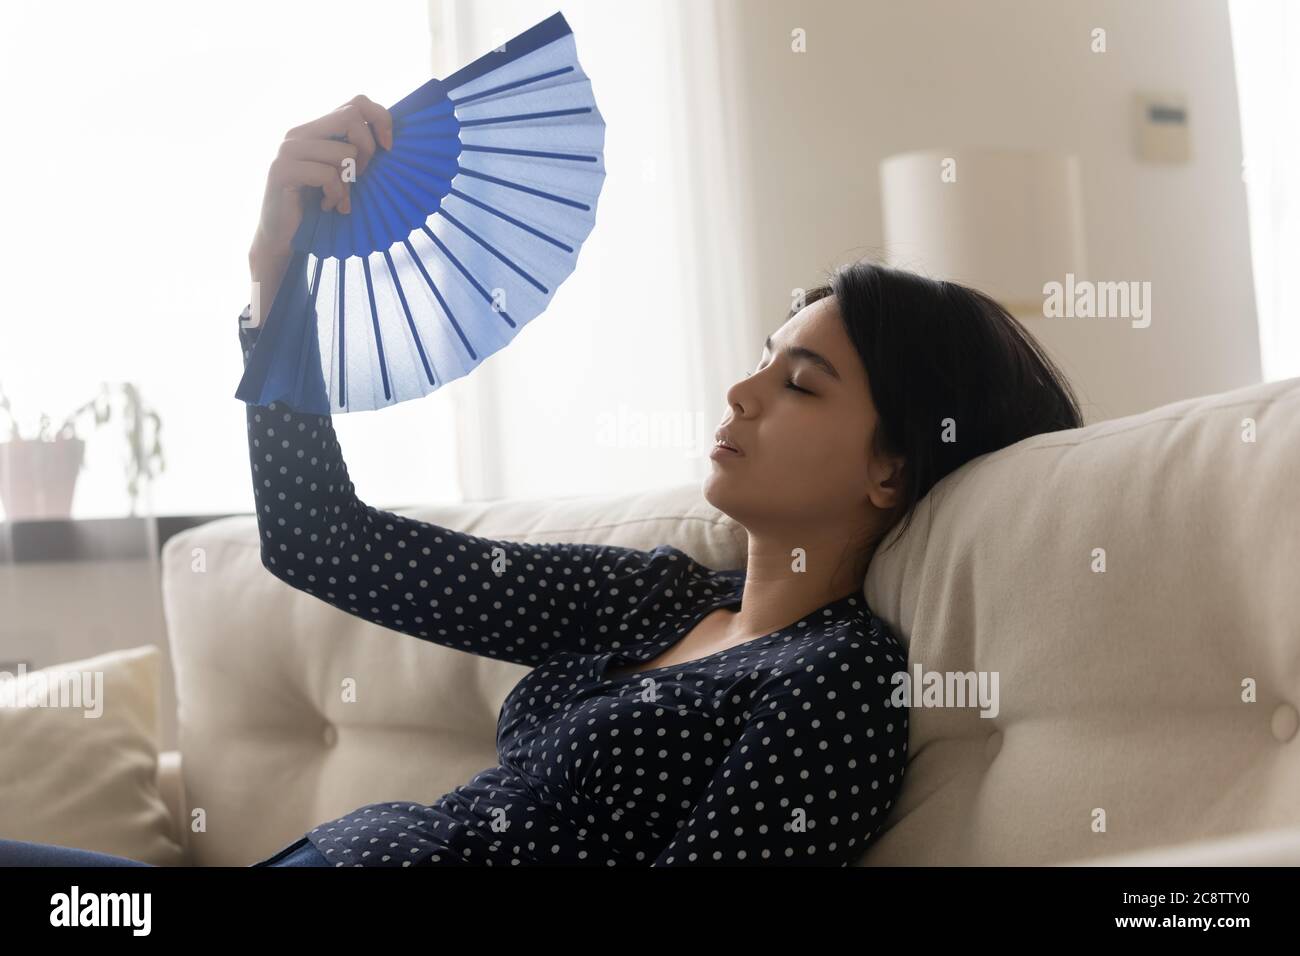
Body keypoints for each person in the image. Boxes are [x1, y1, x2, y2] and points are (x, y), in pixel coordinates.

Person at [1, 93, 1082, 868]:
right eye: (759, 353)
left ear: (894, 463)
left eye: (799, 383)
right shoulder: (653, 595)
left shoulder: (837, 680)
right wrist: (275, 283)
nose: (742, 389)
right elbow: (322, 541)